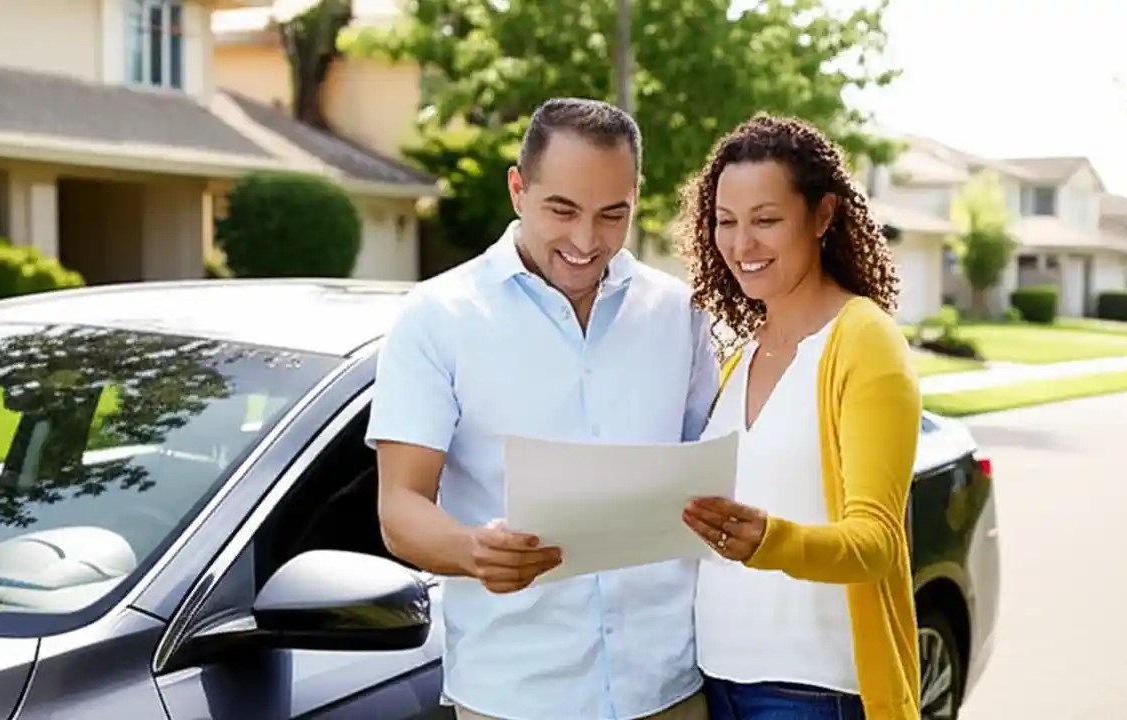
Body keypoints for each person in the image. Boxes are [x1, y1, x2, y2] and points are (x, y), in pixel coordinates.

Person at [365, 97, 718, 720]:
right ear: (517, 189)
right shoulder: (437, 318)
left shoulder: (679, 314)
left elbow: (707, 477)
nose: (587, 240)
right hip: (515, 697)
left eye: (614, 214)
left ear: (636, 197)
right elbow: (400, 508)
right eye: (562, 210)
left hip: (667, 688)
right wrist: (476, 549)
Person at [677, 114, 923, 720]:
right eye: (726, 222)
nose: (741, 245)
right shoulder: (738, 357)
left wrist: (770, 539)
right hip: (715, 680)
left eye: (765, 221)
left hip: (811, 693)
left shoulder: (864, 341)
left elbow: (877, 544)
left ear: (822, 215)